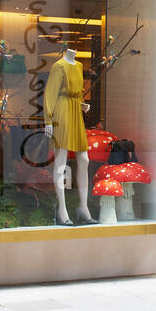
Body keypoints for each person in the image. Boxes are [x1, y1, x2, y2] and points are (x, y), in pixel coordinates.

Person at [43, 44, 94, 225]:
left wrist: (81, 104)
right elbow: (49, 94)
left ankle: (83, 207)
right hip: (62, 111)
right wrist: (48, 120)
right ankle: (62, 209)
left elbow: (78, 93)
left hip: (76, 113)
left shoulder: (79, 66)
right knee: (61, 160)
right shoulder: (59, 66)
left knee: (84, 159)